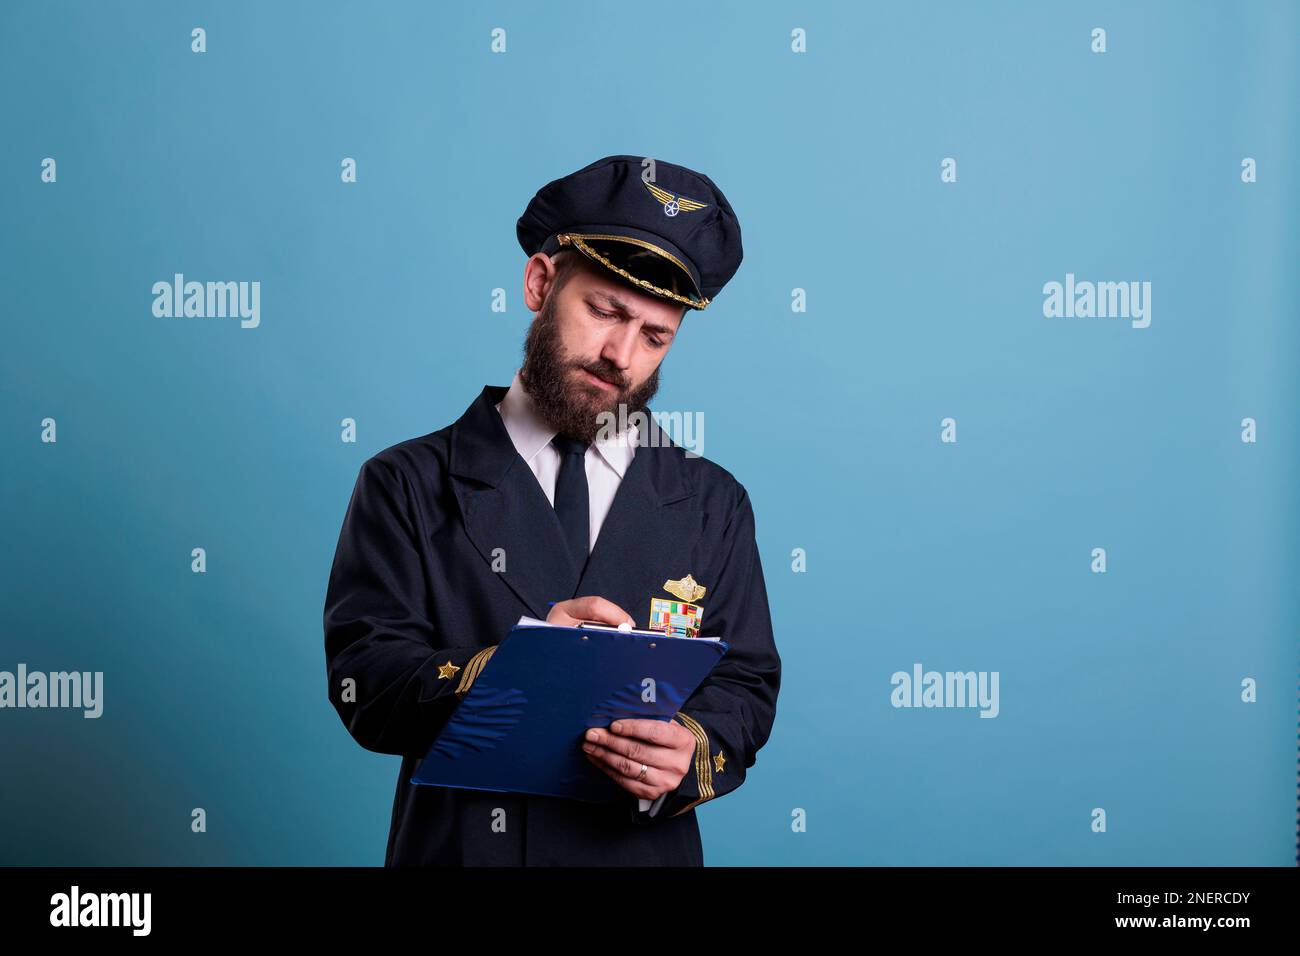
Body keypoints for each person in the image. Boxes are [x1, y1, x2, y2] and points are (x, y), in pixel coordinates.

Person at [323, 154, 781, 865]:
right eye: (605, 311)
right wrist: (511, 665)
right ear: (540, 283)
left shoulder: (713, 504)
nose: (620, 355)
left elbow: (746, 689)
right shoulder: (405, 482)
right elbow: (365, 688)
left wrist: (691, 750)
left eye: (655, 336)